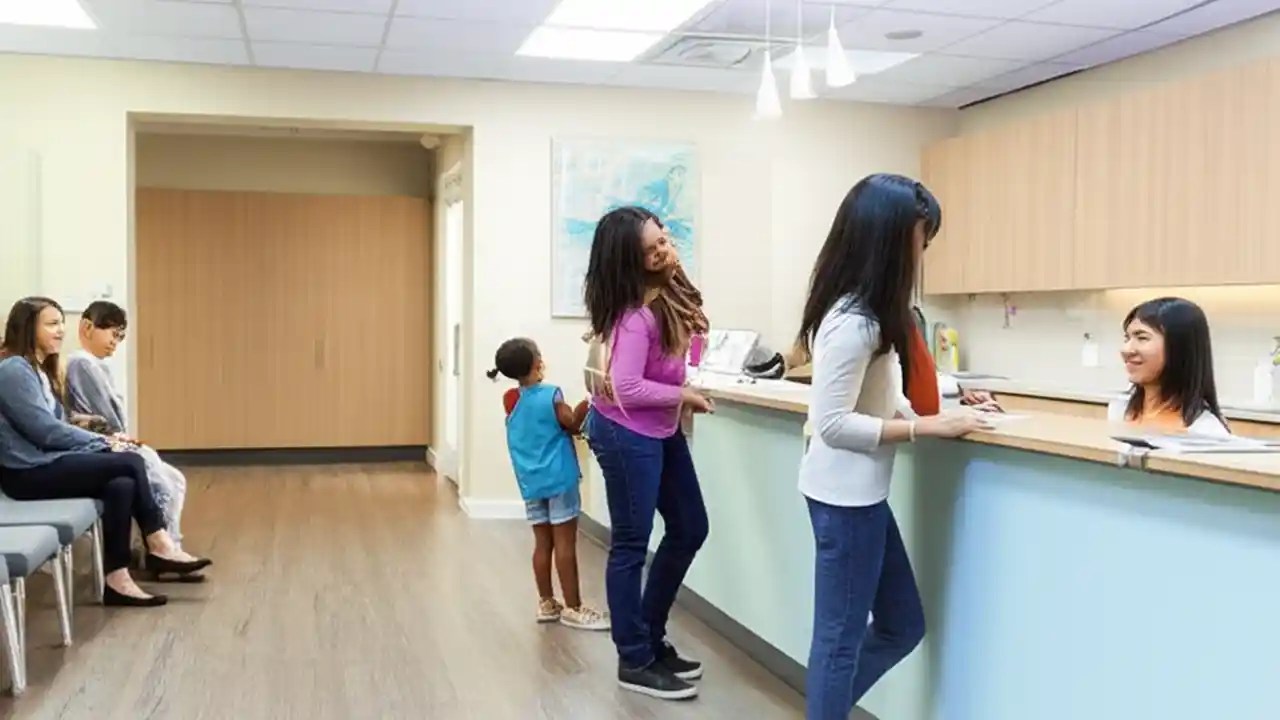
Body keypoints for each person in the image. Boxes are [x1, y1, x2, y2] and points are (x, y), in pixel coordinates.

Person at [795, 174, 990, 719]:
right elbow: (831, 423)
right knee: (837, 641)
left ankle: (823, 708)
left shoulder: (873, 314)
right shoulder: (853, 322)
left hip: (860, 498)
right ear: (888, 238)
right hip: (843, 499)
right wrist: (923, 429)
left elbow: (883, 394)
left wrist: (940, 407)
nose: (923, 250)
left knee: (903, 625)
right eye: (920, 237)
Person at [0, 297, 209, 607]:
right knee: (130, 461)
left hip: (45, 463)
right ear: (28, 327)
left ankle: (118, 579)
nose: (60, 331)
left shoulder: (38, 370)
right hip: (26, 473)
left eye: (61, 323)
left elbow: (56, 421)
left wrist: (88, 429)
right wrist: (103, 443)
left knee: (121, 484)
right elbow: (44, 432)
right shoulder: (14, 369)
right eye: (52, 323)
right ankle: (159, 543)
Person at [582, 206, 712, 701]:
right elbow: (627, 386)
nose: (664, 250)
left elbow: (679, 354)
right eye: (652, 249)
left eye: (665, 240)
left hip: (656, 431)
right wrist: (682, 396)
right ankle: (633, 658)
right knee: (632, 545)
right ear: (630, 261)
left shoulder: (663, 297)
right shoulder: (636, 315)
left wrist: (683, 383)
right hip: (625, 432)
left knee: (690, 527)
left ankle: (650, 638)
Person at [64, 300, 197, 575]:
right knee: (160, 481)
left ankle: (165, 545)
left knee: (173, 479)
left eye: (120, 337)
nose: (115, 343)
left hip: (109, 439)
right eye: (112, 334)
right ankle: (164, 550)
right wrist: (122, 437)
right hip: (101, 443)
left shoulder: (95, 366)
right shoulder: (82, 363)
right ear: (87, 327)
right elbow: (106, 418)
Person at [486, 337, 609, 631]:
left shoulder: (510, 400)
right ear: (538, 363)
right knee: (565, 544)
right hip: (560, 480)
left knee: (543, 543)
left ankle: (546, 602)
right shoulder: (552, 395)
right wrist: (589, 401)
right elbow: (572, 424)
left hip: (531, 483)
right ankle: (575, 608)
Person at [1109, 297, 1229, 436]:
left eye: (1142, 338)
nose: (1126, 350)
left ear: (1180, 348)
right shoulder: (1119, 410)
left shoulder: (1206, 431)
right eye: (1127, 338)